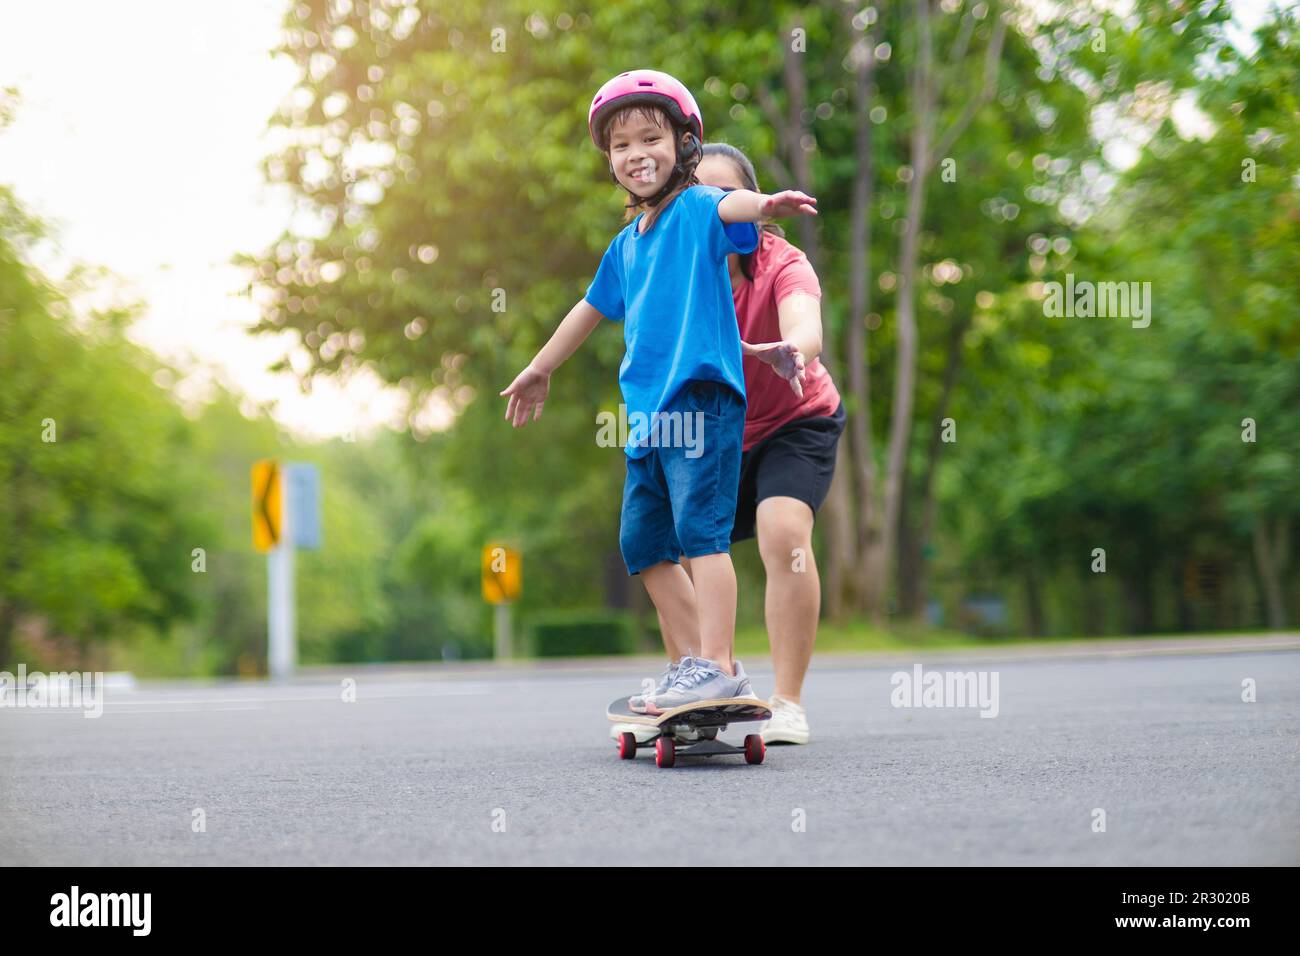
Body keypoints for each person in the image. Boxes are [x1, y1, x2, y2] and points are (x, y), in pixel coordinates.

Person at [499, 69, 817, 716]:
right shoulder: (625, 245)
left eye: (651, 137)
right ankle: (691, 665)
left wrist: (766, 205)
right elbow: (587, 311)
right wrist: (541, 368)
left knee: (703, 538)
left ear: (685, 147)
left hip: (702, 401)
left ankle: (719, 668)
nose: (636, 153)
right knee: (643, 545)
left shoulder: (697, 209)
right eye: (621, 145)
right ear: (609, 161)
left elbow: (732, 205)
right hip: (647, 421)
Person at [653, 143, 845, 745]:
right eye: (698, 199)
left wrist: (796, 350)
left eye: (724, 198)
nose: (714, 211)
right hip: (719, 437)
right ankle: (709, 687)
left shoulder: (783, 263)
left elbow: (803, 320)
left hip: (796, 422)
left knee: (783, 533)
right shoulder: (680, 280)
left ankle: (787, 702)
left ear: (752, 211)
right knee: (677, 544)